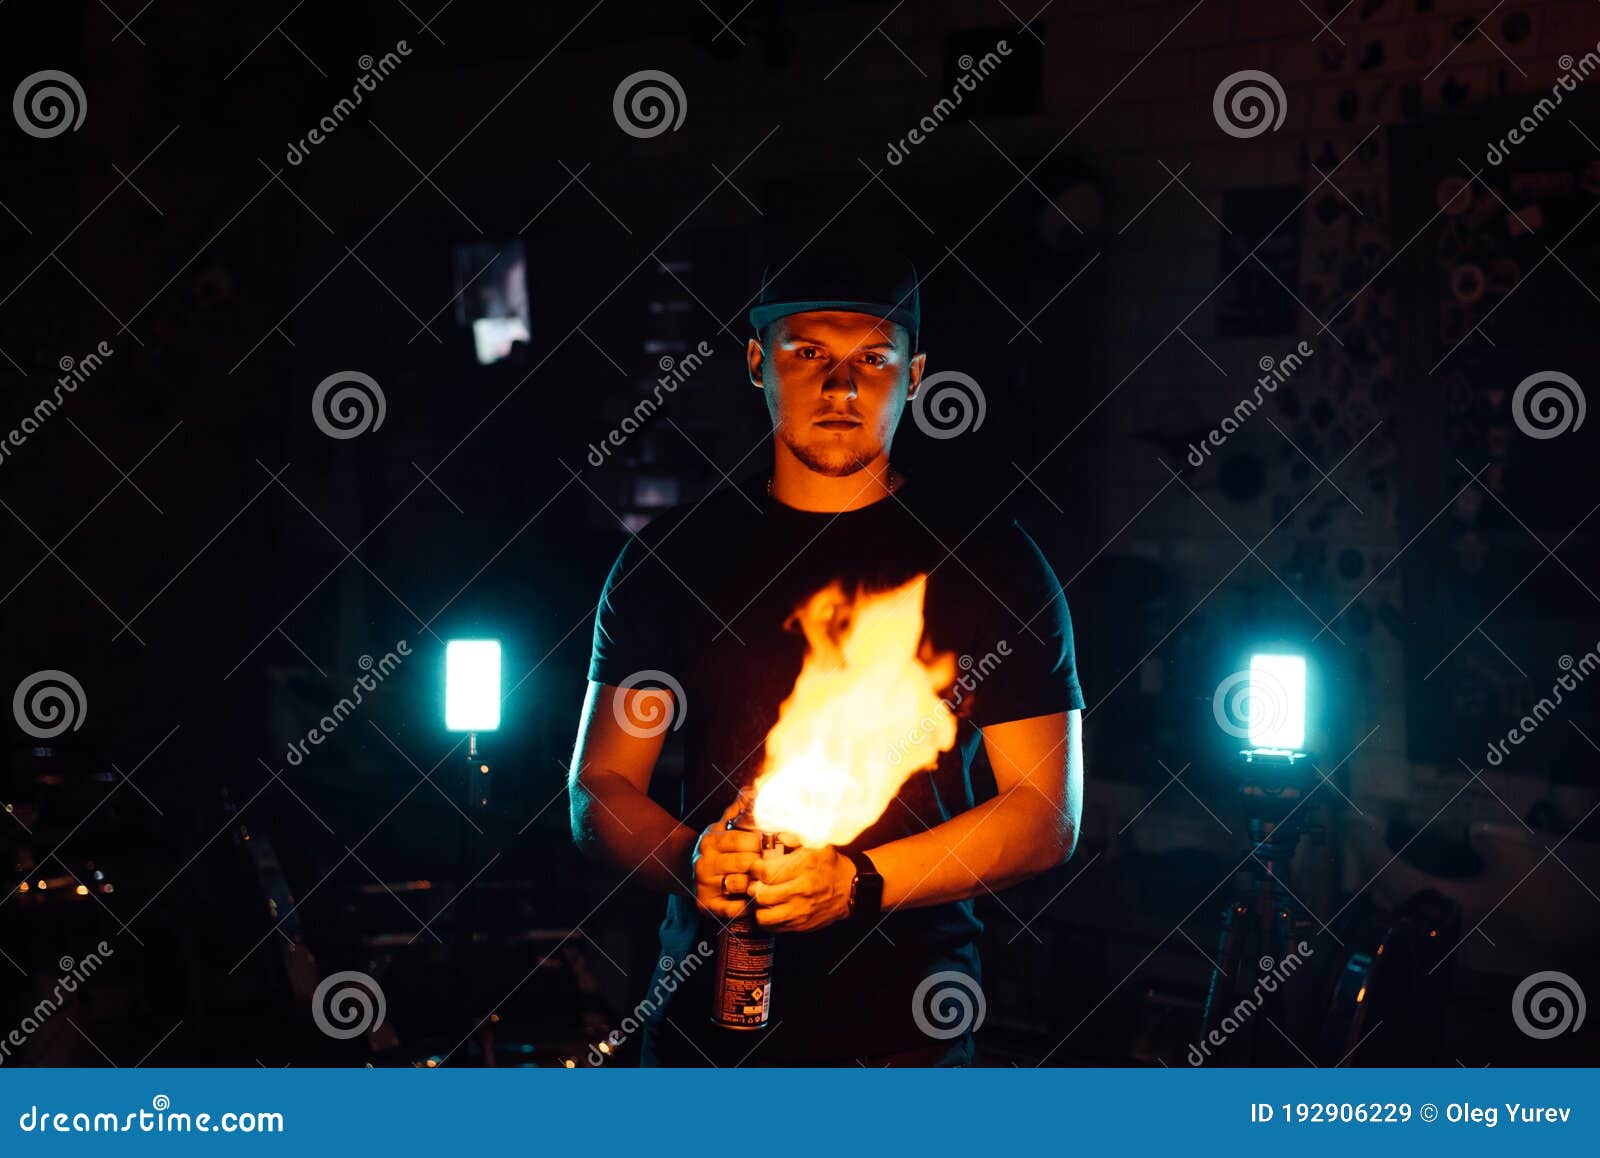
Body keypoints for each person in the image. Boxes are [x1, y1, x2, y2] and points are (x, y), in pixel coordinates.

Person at [569, 243, 1085, 1065]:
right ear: (756, 361)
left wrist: (859, 884)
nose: (840, 387)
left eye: (871, 358)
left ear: (915, 375)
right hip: (702, 1041)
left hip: (900, 1043)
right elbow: (598, 786)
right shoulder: (672, 560)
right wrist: (688, 858)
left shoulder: (992, 564)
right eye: (808, 352)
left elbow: (1047, 813)